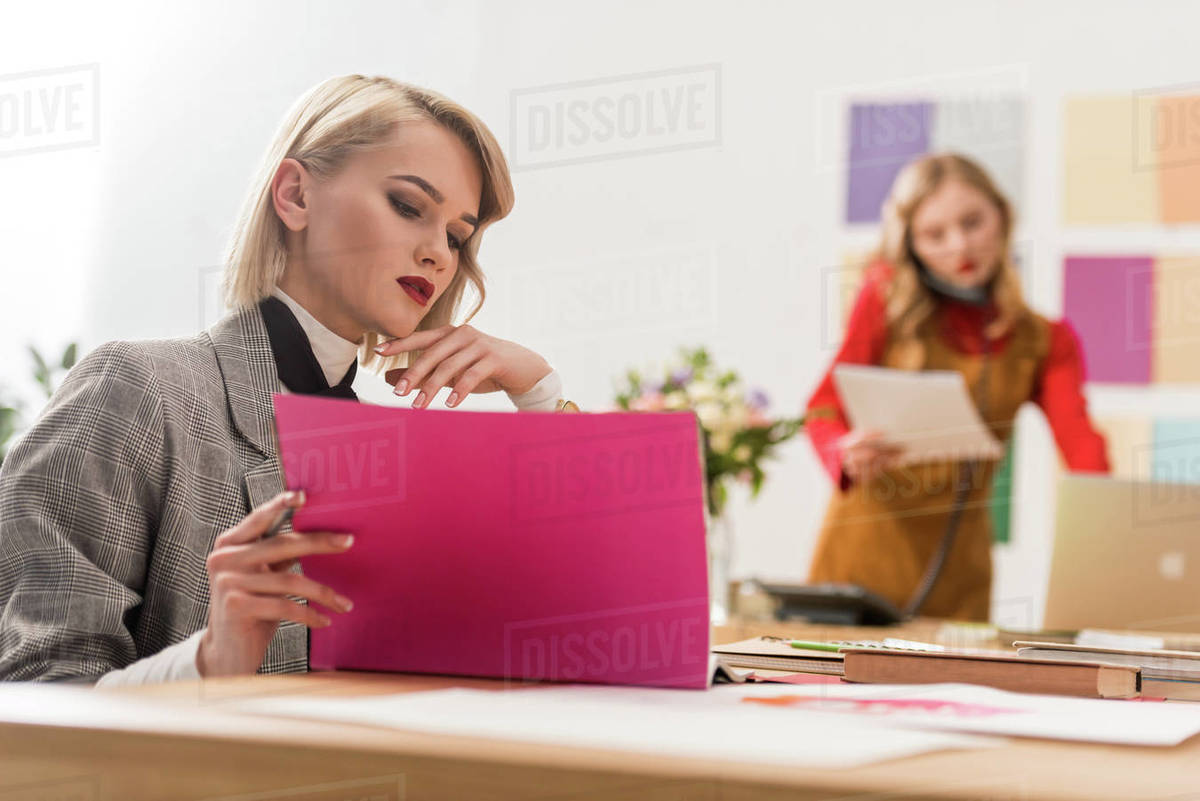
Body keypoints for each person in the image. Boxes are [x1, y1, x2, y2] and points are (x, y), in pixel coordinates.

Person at [0, 75, 575, 683]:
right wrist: (207, 664)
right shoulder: (139, 391)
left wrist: (540, 392)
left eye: (458, 236)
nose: (439, 252)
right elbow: (39, 691)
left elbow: (574, 630)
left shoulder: (400, 451)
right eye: (408, 206)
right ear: (296, 195)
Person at [805, 153, 1109, 621]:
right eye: (934, 234)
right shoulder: (884, 299)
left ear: (1002, 218)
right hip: (860, 561)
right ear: (910, 243)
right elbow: (824, 407)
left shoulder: (1046, 340)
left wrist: (1111, 524)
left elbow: (1083, 451)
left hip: (959, 575)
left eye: (973, 222)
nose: (959, 245)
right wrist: (842, 452)